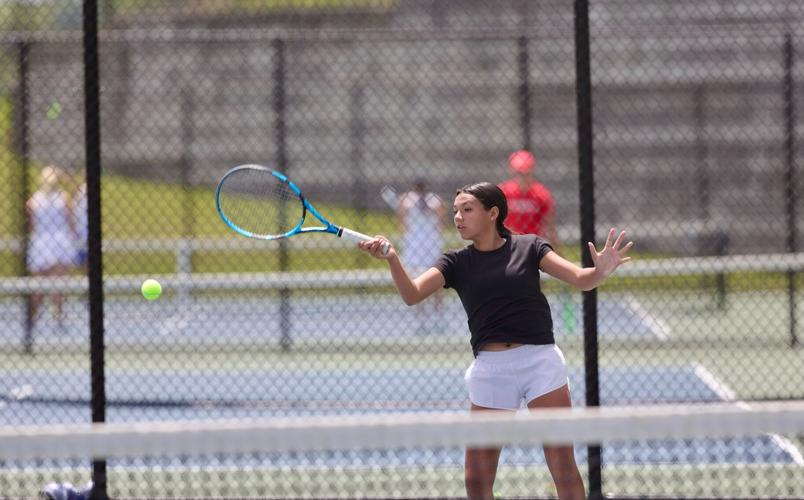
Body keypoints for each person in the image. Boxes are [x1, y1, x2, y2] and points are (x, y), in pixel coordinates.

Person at [358, 181, 633, 499]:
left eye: (467, 209)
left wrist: (600, 271)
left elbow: (582, 279)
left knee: (562, 466)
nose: (458, 217)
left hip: (540, 363)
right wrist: (392, 258)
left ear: (493, 213)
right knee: (476, 479)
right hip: (490, 370)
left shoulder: (530, 246)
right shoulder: (455, 262)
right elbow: (412, 294)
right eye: (456, 211)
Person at [26, 166, 77, 329]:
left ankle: (33, 321)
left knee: (38, 287)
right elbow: (71, 223)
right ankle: (59, 318)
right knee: (58, 285)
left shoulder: (33, 201)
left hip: (40, 243)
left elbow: (31, 225)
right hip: (59, 243)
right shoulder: (63, 198)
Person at [396, 179, 446, 334]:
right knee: (416, 282)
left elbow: (442, 220)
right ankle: (421, 320)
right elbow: (401, 221)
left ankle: (438, 318)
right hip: (414, 246)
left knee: (436, 282)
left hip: (431, 245)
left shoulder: (434, 200)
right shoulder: (407, 200)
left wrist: (430, 210)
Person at [499, 149, 559, 247]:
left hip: (533, 244)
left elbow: (550, 226)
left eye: (526, 173)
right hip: (508, 241)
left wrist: (557, 251)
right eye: (519, 173)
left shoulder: (541, 193)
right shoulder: (504, 192)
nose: (522, 177)